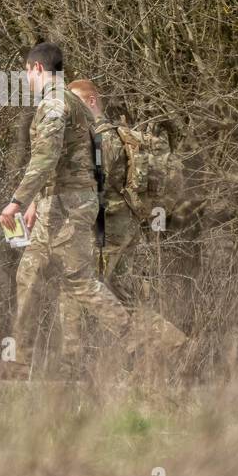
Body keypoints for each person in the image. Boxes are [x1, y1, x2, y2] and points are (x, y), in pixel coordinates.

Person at [0, 43, 133, 378]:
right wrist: (39, 202)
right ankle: (20, 361)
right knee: (28, 274)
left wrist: (19, 200)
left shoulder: (55, 102)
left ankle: (142, 341)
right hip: (59, 203)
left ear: (38, 69)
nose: (27, 79)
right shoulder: (69, 101)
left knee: (79, 283)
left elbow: (47, 157)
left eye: (27, 72)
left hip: (67, 207)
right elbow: (64, 160)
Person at [65, 79, 187, 355]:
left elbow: (93, 190)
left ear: (92, 102)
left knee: (84, 287)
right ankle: (174, 345)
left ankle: (76, 360)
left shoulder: (101, 140)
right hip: (126, 225)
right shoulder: (118, 135)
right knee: (119, 294)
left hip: (108, 228)